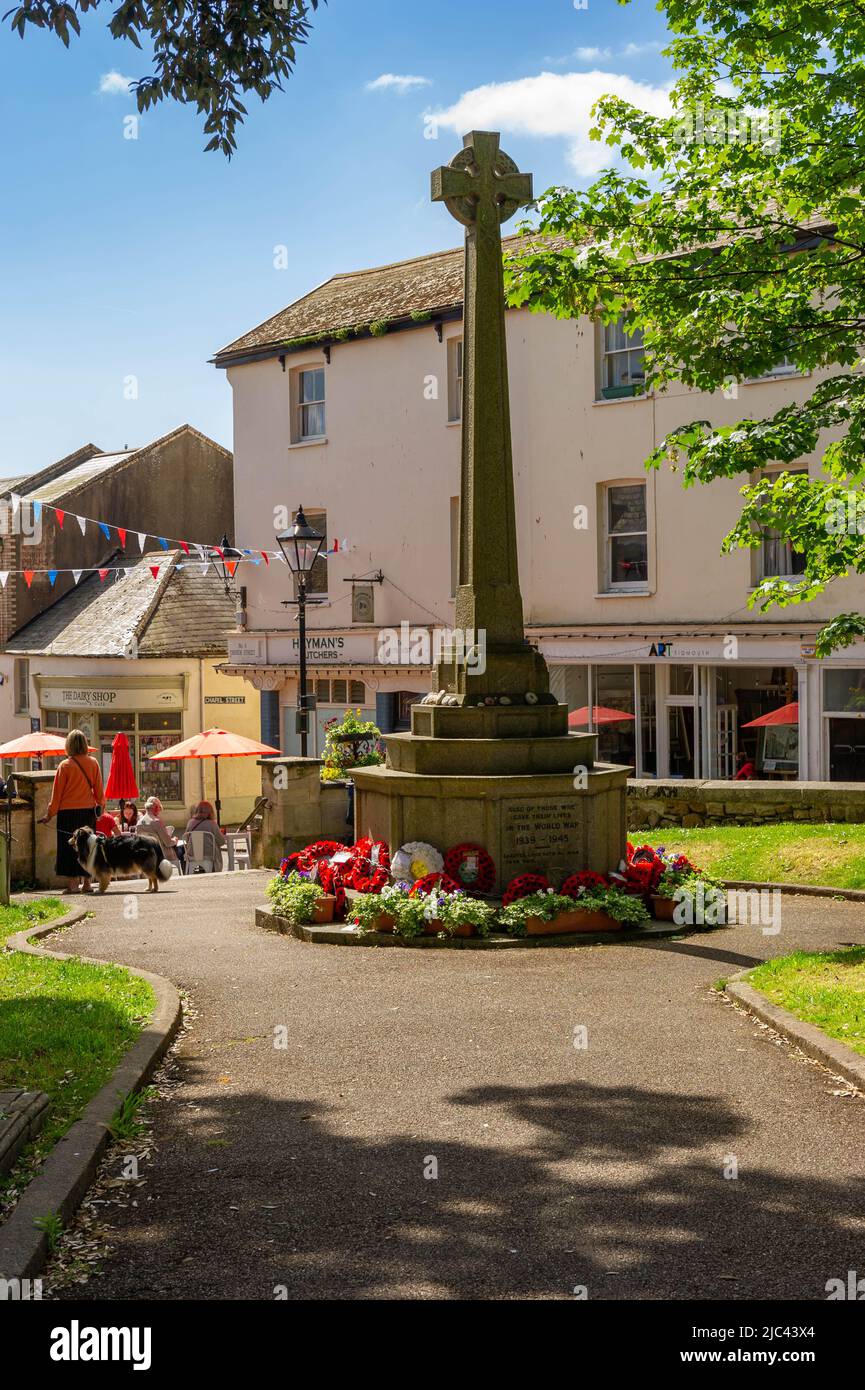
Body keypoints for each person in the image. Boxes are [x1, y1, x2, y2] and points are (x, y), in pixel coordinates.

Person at [38, 729, 104, 894]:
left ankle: (73, 885)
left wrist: (49, 814)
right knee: (87, 848)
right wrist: (101, 808)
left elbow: (57, 795)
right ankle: (87, 883)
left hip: (67, 813)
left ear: (69, 745)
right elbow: (99, 791)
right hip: (87, 812)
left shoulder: (65, 766)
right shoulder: (93, 763)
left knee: (69, 848)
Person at [184, 800, 228, 873]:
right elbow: (222, 842)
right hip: (209, 855)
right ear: (210, 811)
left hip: (193, 855)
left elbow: (186, 839)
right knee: (215, 849)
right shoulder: (212, 824)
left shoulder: (190, 822)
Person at [138, 796, 181, 868]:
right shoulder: (156, 822)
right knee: (181, 851)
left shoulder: (139, 823)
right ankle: (183, 875)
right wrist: (175, 840)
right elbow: (168, 843)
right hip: (162, 854)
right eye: (160, 808)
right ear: (156, 808)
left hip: (147, 855)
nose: (160, 811)